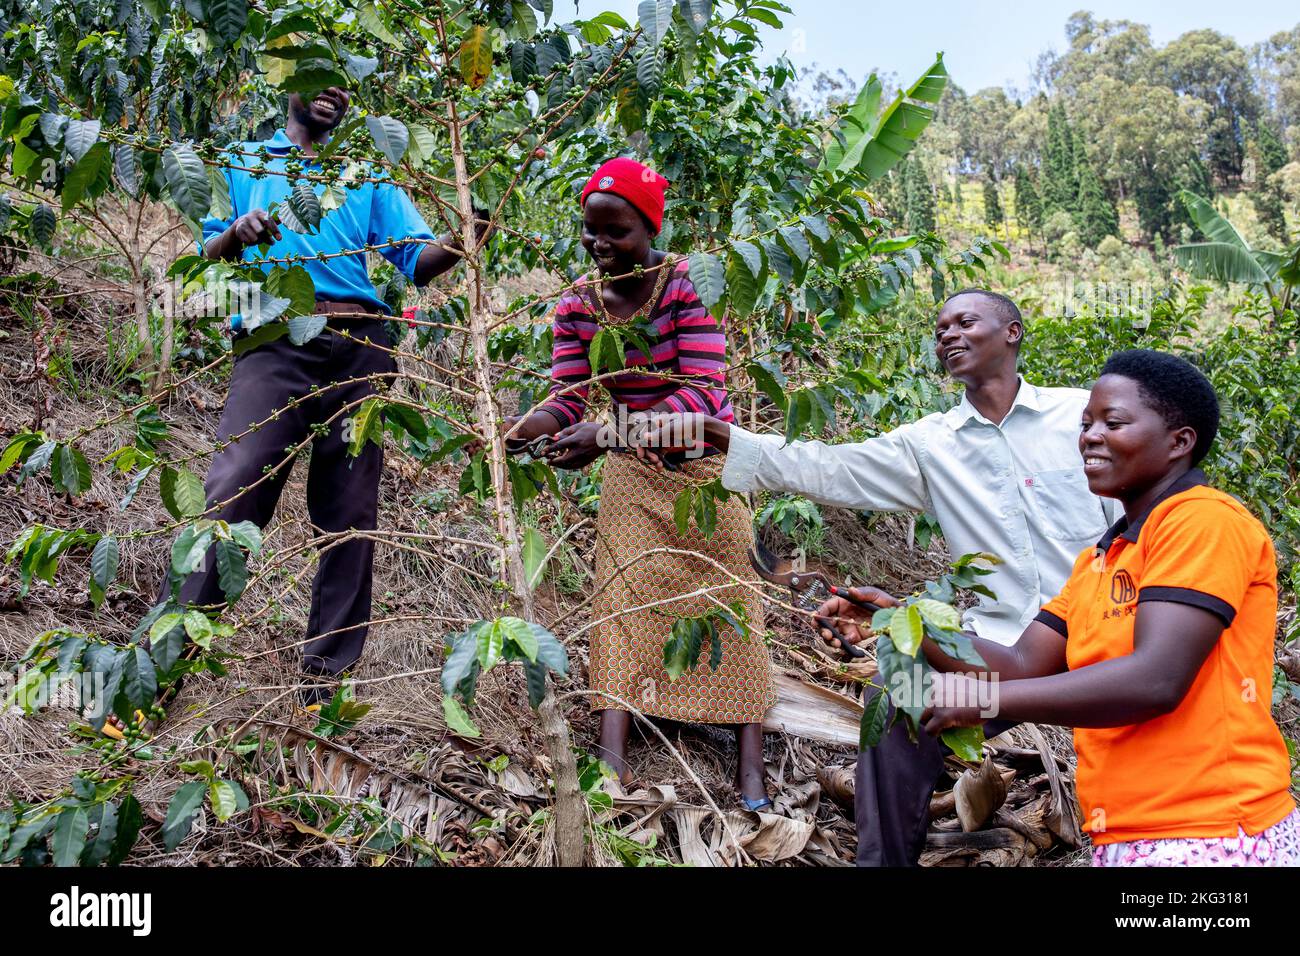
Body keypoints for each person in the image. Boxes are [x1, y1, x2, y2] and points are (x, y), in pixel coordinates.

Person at [634, 288, 1117, 860]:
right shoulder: (931, 445)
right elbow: (828, 467)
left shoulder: (1080, 416)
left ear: (1012, 331)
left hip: (1110, 637)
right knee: (898, 696)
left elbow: (1134, 515)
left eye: (966, 321)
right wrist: (720, 435)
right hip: (999, 655)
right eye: (940, 330)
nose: (948, 336)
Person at [828, 350, 1299, 866]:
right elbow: (1022, 664)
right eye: (1086, 423)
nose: (1090, 437)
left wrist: (984, 700)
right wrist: (902, 620)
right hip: (1130, 834)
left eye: (1112, 422)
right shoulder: (1100, 559)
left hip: (1213, 832)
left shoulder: (1204, 522)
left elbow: (1155, 680)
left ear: (1179, 442)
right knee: (901, 691)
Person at [129, 87, 481, 729]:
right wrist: (236, 233)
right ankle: (158, 673)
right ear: (289, 81)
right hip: (273, 337)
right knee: (234, 490)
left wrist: (463, 238)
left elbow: (416, 263)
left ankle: (324, 691)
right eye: (317, 74)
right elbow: (202, 256)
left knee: (349, 514)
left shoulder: (365, 172)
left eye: (344, 81)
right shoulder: (243, 161)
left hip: (358, 343)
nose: (332, 91)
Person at [504, 157, 776, 809]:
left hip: (709, 466)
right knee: (620, 605)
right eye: (590, 232)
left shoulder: (687, 283)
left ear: (649, 227)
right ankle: (612, 764)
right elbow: (569, 395)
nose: (601, 245)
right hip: (632, 469)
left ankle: (750, 772)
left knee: (732, 602)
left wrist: (607, 435)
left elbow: (704, 401)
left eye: (617, 232)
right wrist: (525, 431)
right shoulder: (576, 303)